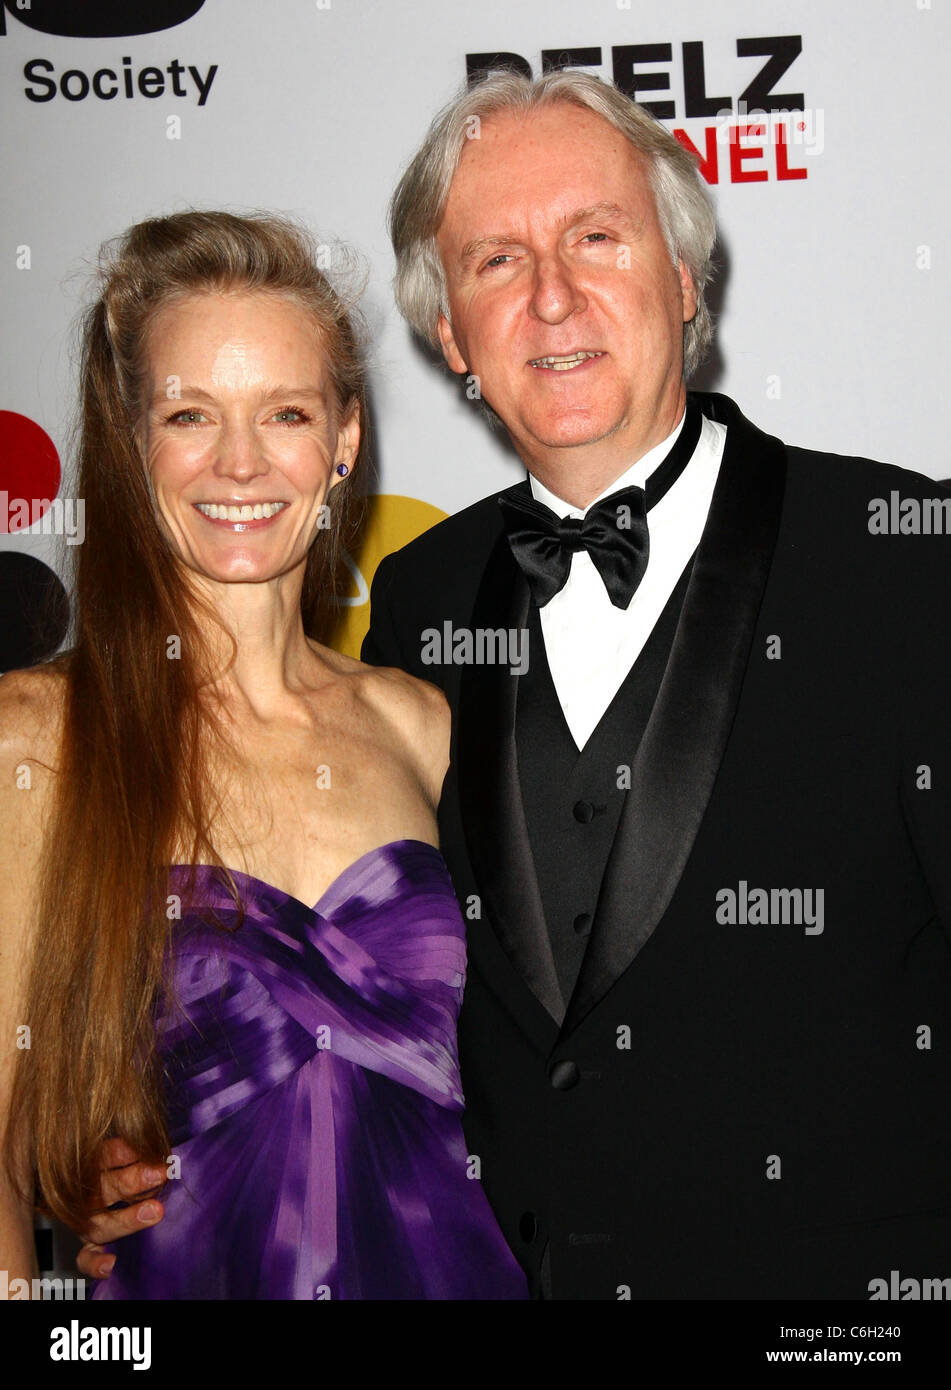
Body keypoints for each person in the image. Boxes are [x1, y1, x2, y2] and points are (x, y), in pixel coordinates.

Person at [81, 71, 951, 1301]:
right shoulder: (423, 601)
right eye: (495, 260)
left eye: (596, 237)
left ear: (687, 279)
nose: (552, 297)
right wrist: (134, 1134)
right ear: (450, 338)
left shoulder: (905, 560)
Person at [0, 210, 528, 1300]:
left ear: (341, 441)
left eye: (284, 411)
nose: (239, 462)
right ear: (130, 439)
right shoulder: (37, 739)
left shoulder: (419, 724)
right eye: (189, 413)